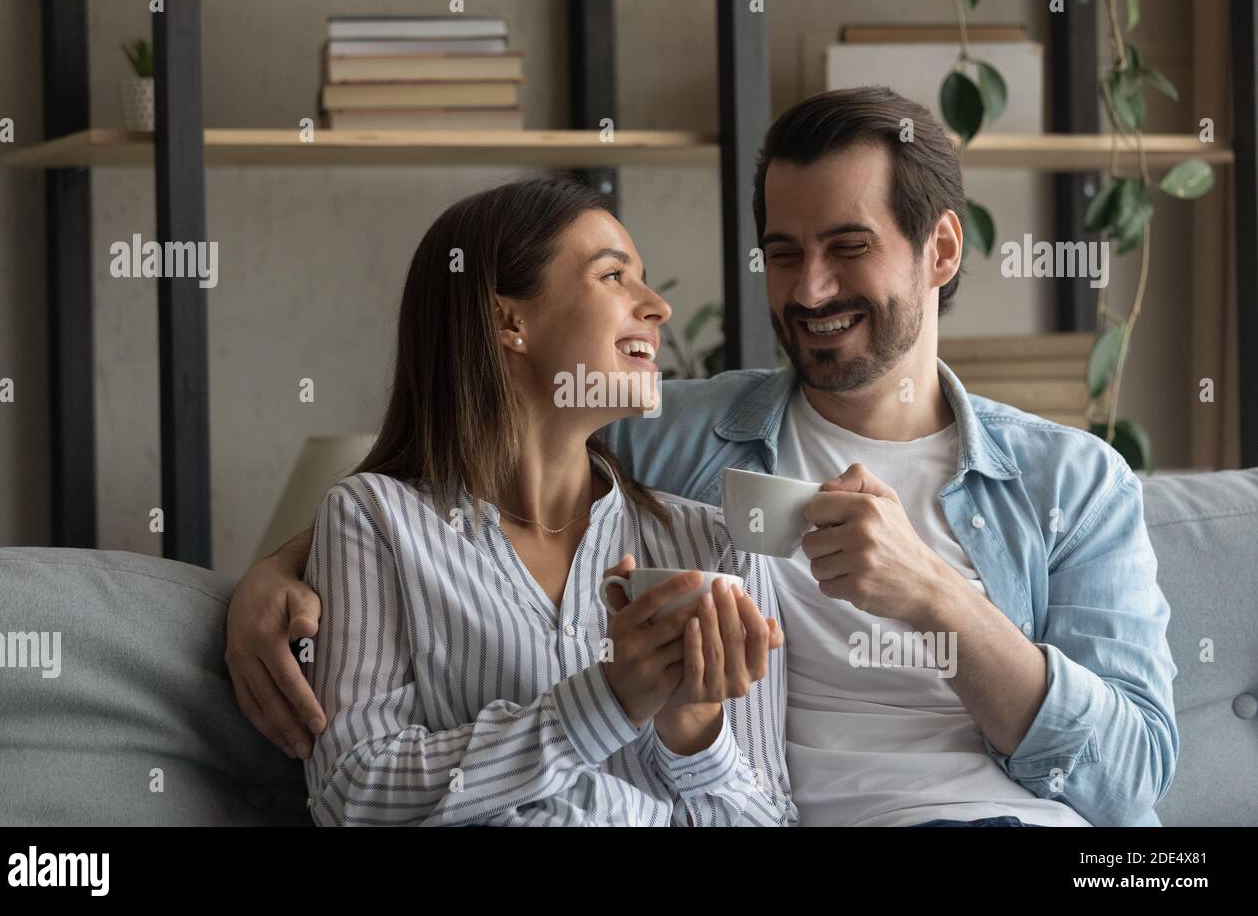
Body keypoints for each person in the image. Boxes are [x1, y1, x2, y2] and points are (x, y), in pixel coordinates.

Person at [228, 86, 1178, 827]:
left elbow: (1134, 782)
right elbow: (483, 459)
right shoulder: (673, 436)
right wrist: (276, 569)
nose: (809, 289)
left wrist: (939, 597)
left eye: (847, 248)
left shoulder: (1072, 481)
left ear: (939, 250)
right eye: (782, 251)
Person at [257, 177, 795, 826]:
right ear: (510, 321)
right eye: (614, 276)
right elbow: (352, 790)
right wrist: (607, 702)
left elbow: (771, 818)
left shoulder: (718, 546)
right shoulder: (374, 520)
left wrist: (696, 732)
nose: (657, 306)